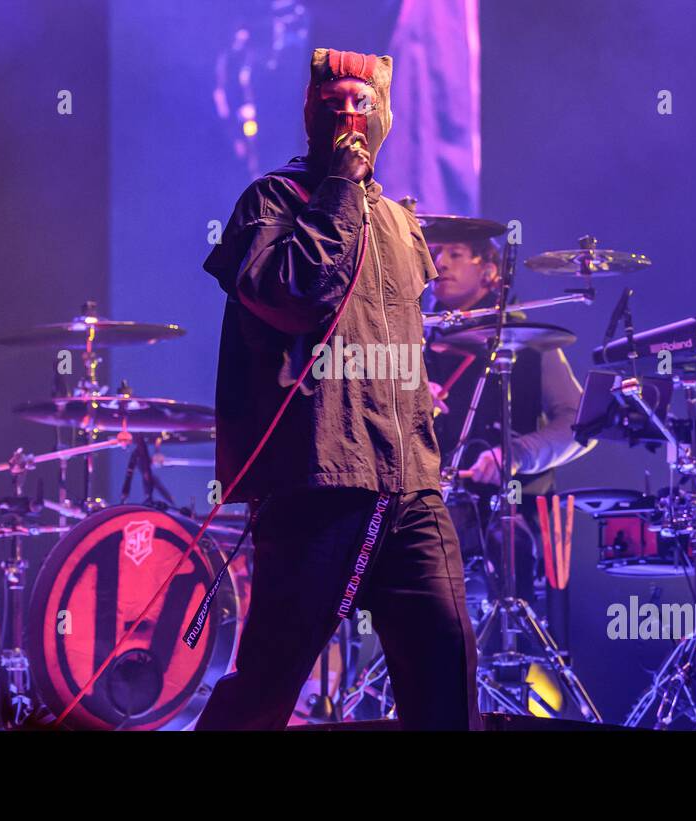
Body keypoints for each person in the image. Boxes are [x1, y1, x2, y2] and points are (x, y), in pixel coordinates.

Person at [196, 48, 481, 731]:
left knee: (447, 671)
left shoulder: (403, 222)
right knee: (268, 680)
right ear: (310, 116)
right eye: (335, 106)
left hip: (409, 484)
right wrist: (341, 188)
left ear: (385, 118)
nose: (351, 117)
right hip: (319, 481)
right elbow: (295, 294)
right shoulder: (271, 200)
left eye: (364, 105)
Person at [425, 235, 595, 629]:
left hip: (517, 515)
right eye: (434, 256)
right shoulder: (413, 341)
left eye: (455, 252)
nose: (439, 264)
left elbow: (579, 423)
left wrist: (515, 454)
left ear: (489, 272)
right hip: (428, 512)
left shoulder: (532, 342)